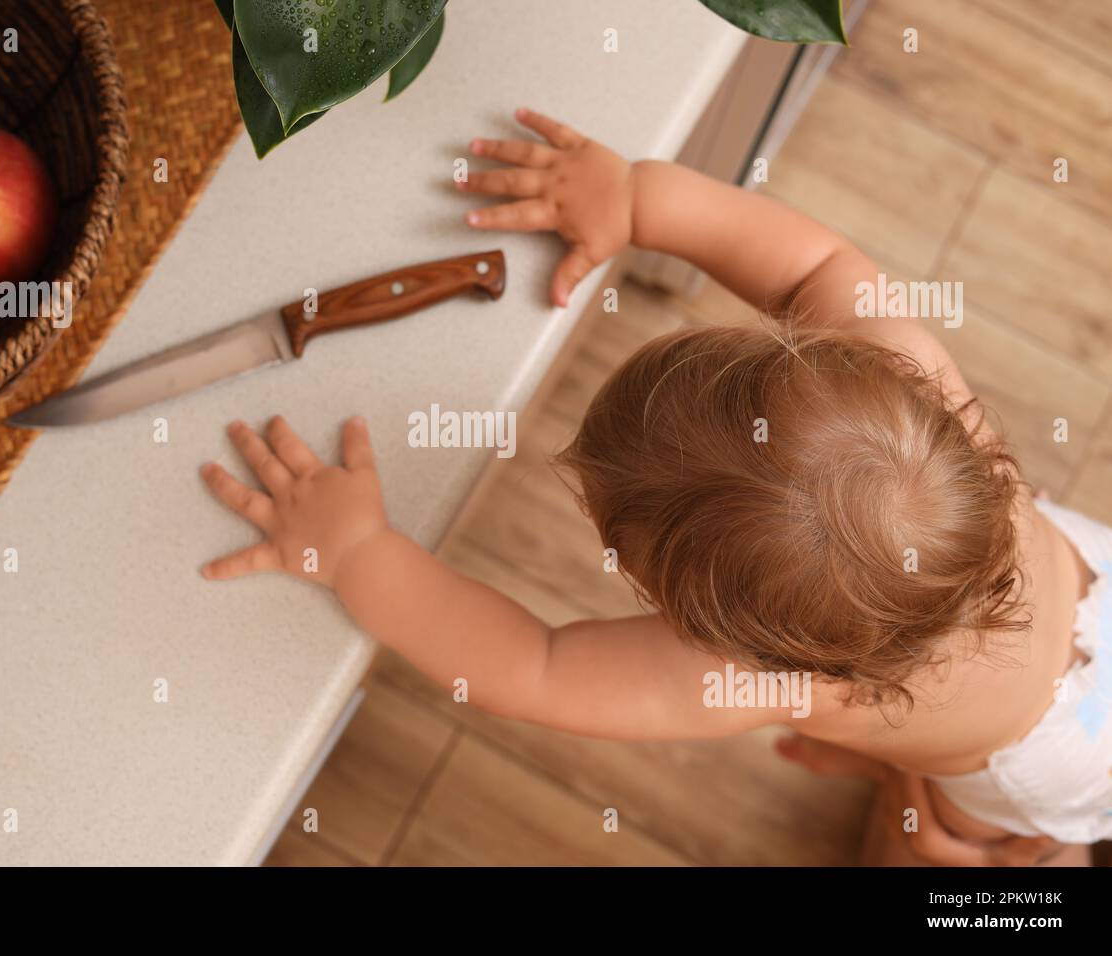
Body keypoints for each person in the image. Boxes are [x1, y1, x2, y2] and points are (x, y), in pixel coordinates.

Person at [197, 109, 1108, 865]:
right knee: (925, 735)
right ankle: (912, 758)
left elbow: (535, 670)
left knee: (928, 845)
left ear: (725, 640)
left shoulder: (762, 686)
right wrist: (633, 198)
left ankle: (998, 856)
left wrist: (359, 553)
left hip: (1048, 772)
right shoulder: (915, 384)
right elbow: (812, 269)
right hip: (1091, 595)